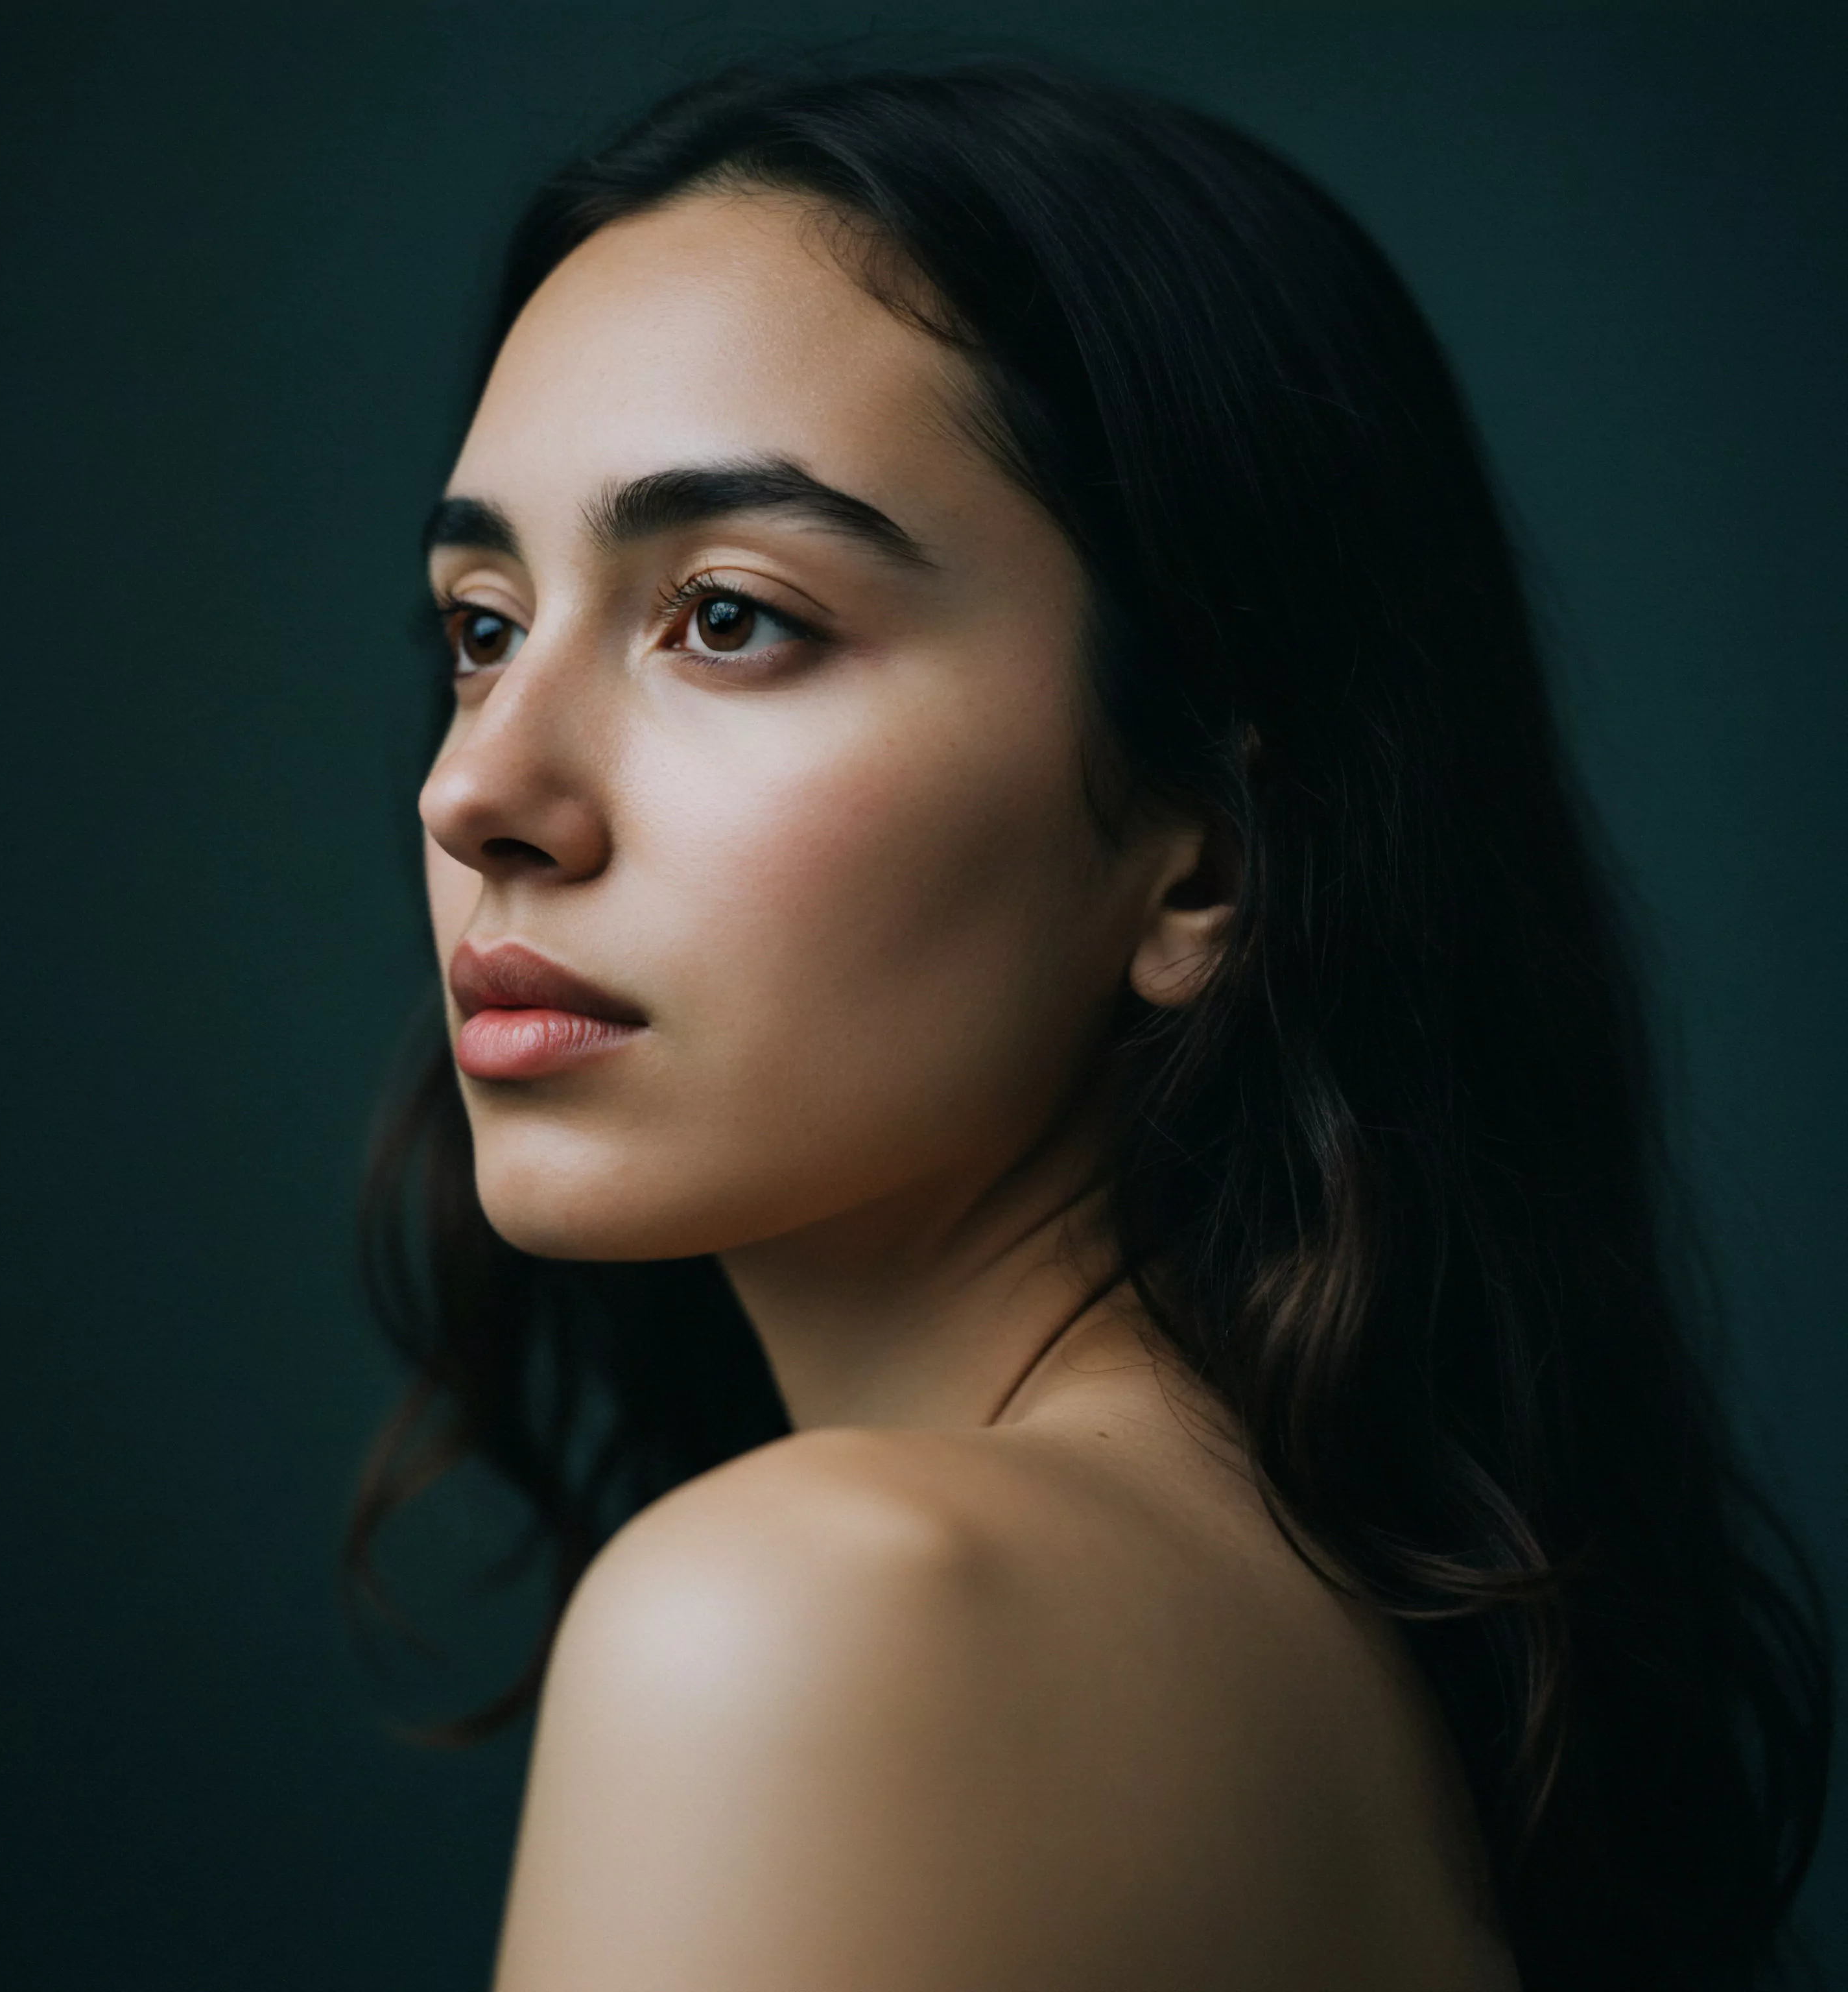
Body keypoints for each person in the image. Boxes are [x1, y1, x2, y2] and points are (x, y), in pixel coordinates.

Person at [349, 55, 1831, 1992]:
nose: (481, 792)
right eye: (482, 624)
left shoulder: (828, 1615)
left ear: (1203, 850)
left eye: (728, 613)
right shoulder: (1308, 1634)